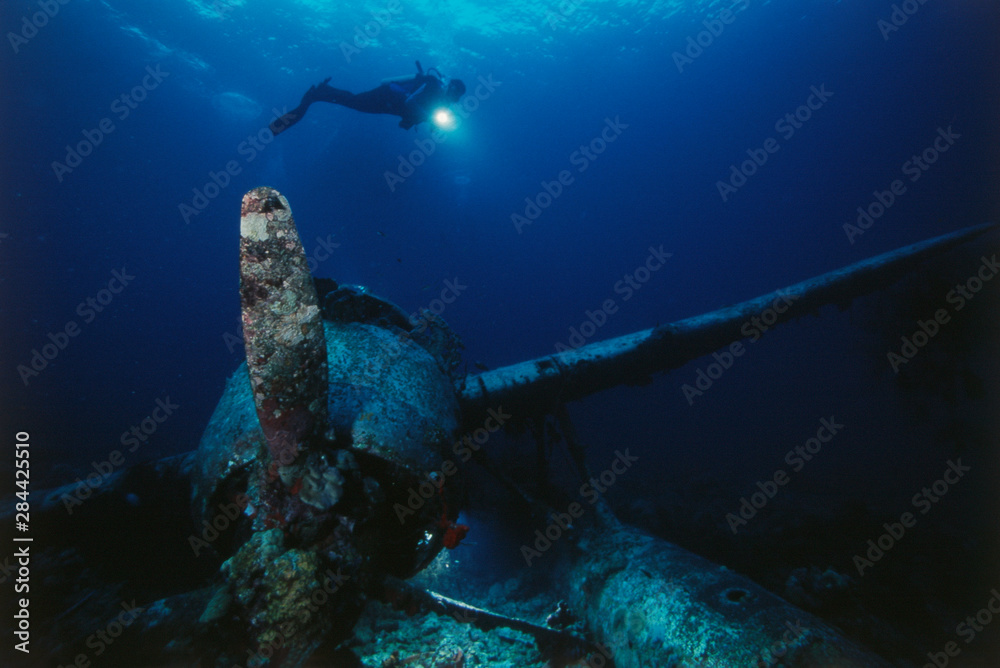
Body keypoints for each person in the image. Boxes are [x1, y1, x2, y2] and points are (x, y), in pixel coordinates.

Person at [270, 61, 465, 135]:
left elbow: (420, 113)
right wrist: (431, 118)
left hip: (389, 105)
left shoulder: (441, 101)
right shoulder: (432, 85)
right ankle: (319, 93)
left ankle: (323, 91)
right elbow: (410, 102)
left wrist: (433, 122)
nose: (454, 98)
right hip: (387, 97)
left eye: (457, 96)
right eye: (454, 93)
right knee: (355, 103)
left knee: (354, 102)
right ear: (450, 87)